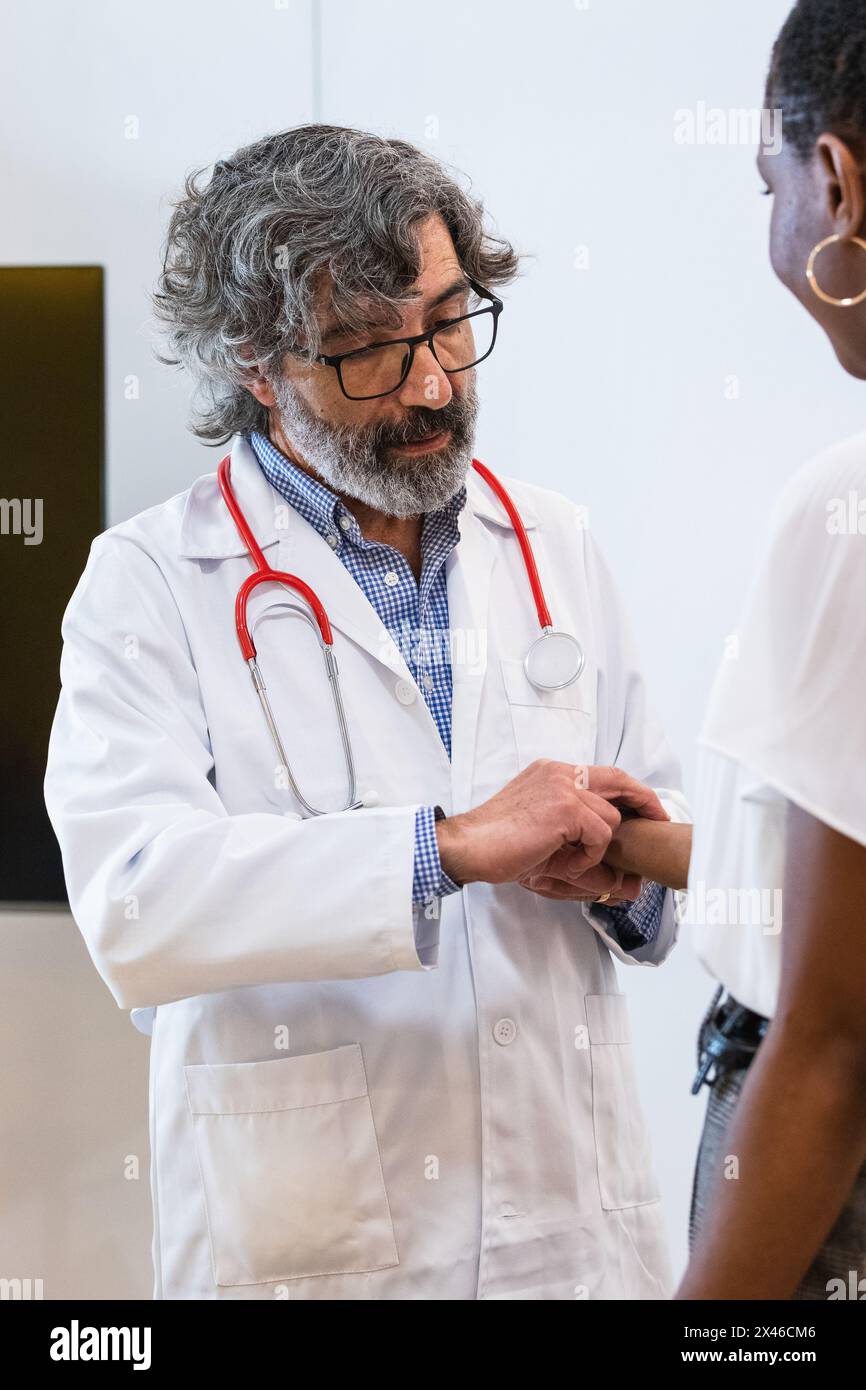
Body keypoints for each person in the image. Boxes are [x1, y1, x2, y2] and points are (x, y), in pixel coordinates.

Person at [44, 124, 689, 1301]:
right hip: (316, 1247)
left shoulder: (553, 540)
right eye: (366, 354)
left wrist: (631, 875)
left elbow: (653, 814)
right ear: (253, 362)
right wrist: (439, 852)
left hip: (575, 1235)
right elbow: (135, 903)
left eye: (449, 320)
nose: (434, 383)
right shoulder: (147, 580)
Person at [607, 0, 866, 1302]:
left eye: (767, 182)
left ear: (835, 179)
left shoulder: (847, 508)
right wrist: (639, 846)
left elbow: (830, 1038)